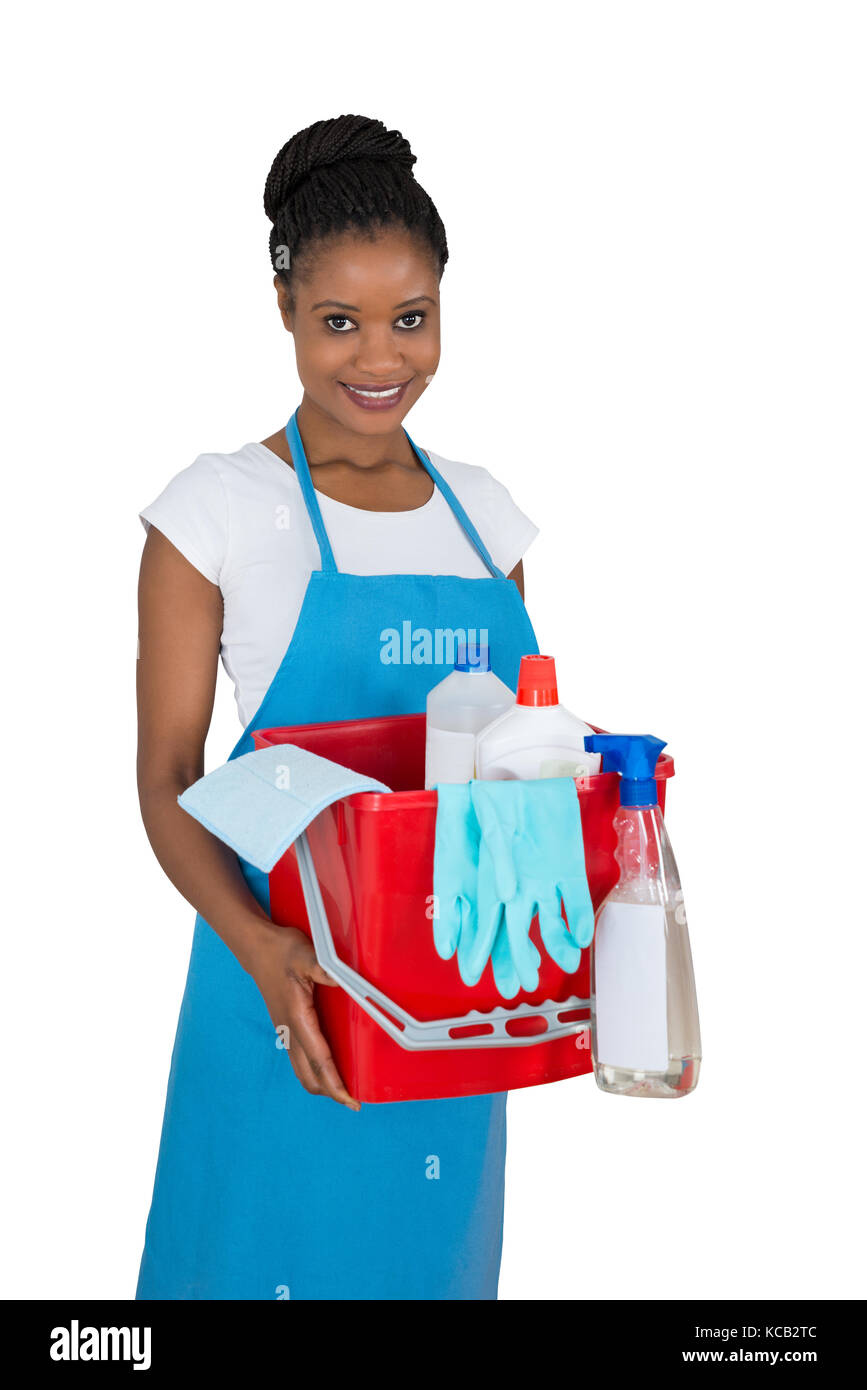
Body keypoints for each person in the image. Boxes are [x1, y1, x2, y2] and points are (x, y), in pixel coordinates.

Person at [135, 113, 539, 1300]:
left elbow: (522, 757)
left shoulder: (487, 519)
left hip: (455, 1008)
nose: (380, 358)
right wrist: (264, 954)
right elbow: (166, 776)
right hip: (278, 993)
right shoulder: (213, 511)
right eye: (340, 322)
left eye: (411, 318)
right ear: (284, 312)